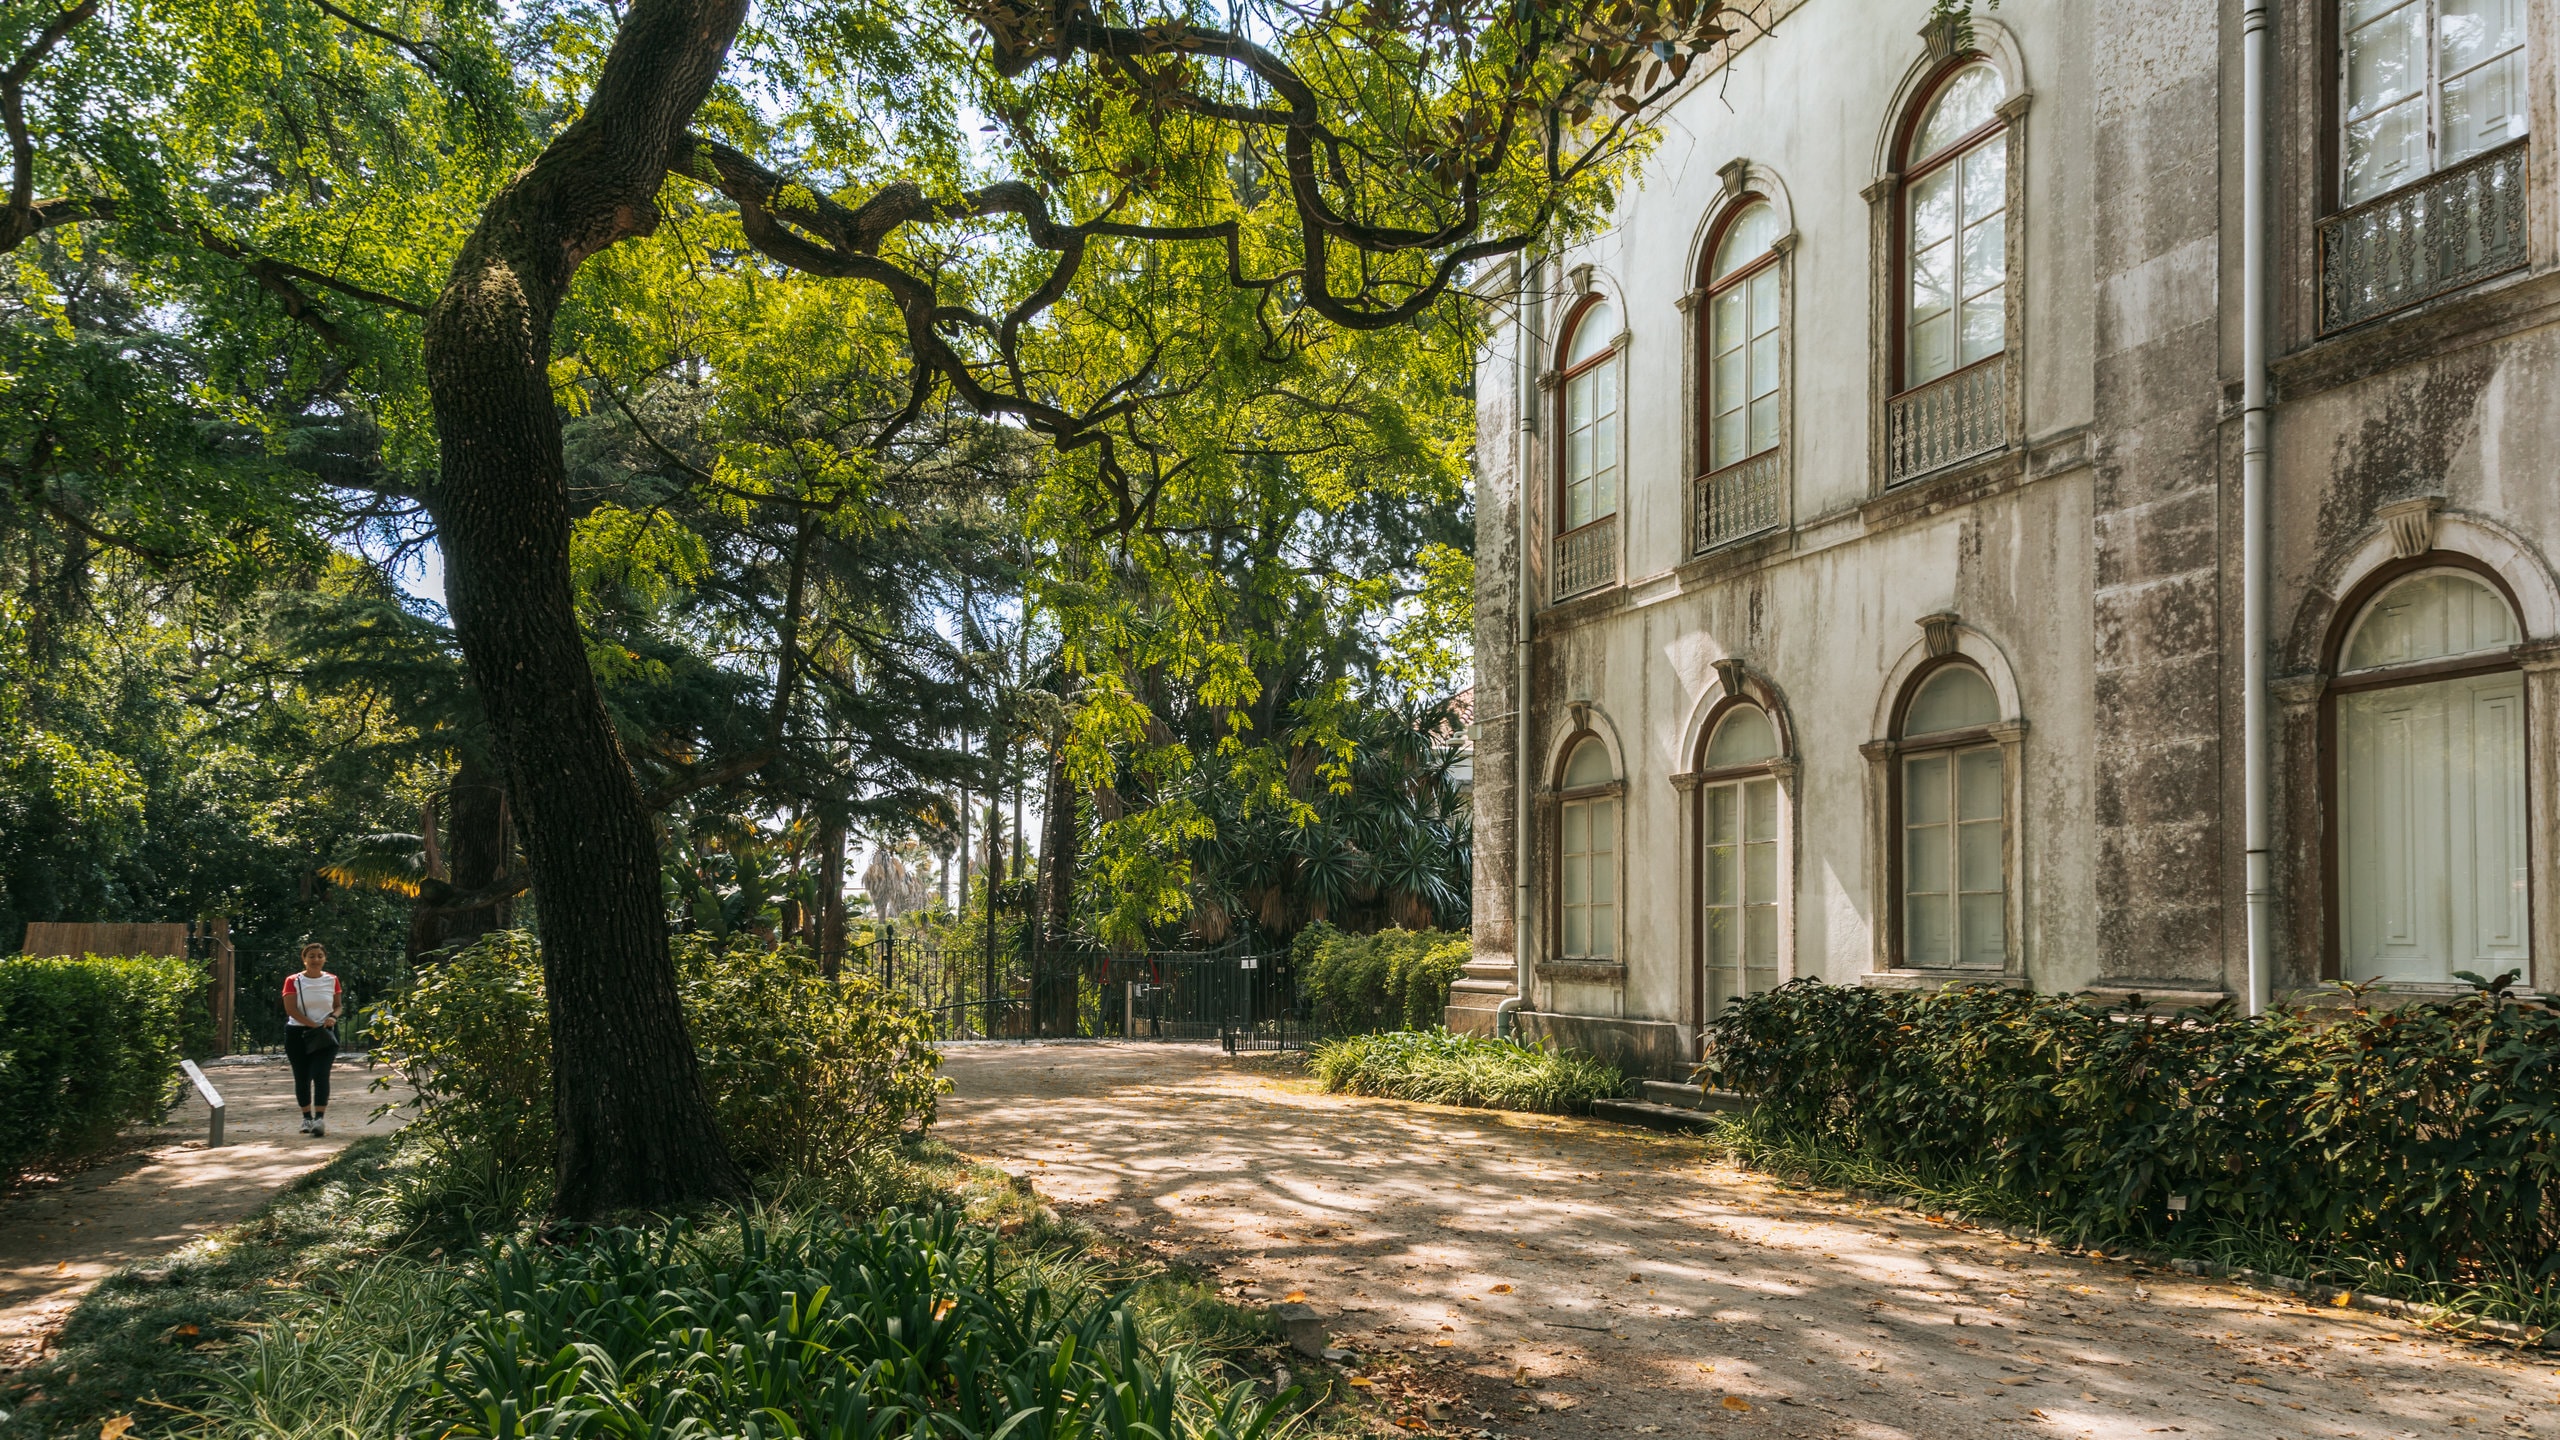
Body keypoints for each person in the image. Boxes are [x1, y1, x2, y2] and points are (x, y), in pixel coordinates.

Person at [281, 942, 344, 1136]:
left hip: (326, 1034)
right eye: (311, 956)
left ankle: (319, 1119)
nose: (316, 960)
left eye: (319, 956)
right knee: (302, 1076)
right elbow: (290, 1009)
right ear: (304, 959)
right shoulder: (293, 980)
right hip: (298, 1033)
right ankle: (306, 1117)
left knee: (321, 1074)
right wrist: (312, 1024)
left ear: (325, 959)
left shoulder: (332, 979)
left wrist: (333, 1017)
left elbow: (338, 1006)